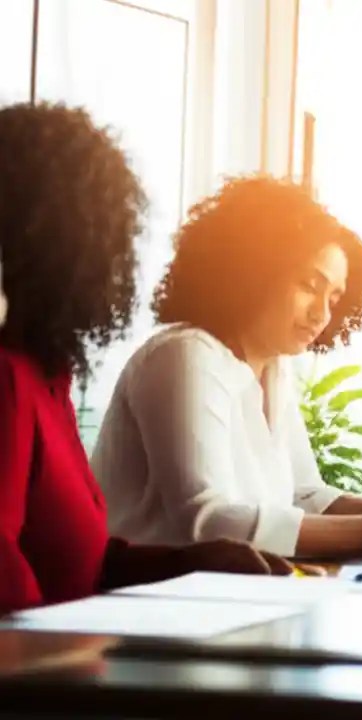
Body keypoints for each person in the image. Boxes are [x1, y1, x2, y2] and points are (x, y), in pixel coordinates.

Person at [91, 176, 362, 560]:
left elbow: (302, 495)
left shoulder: (273, 370)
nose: (321, 314)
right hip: (150, 605)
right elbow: (206, 521)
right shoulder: (183, 355)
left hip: (223, 598)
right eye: (309, 286)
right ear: (255, 271)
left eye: (334, 298)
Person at [0, 102, 298, 614]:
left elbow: (81, 563)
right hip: (40, 683)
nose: (118, 266)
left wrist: (191, 562)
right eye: (108, 237)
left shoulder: (49, 377)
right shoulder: (9, 378)